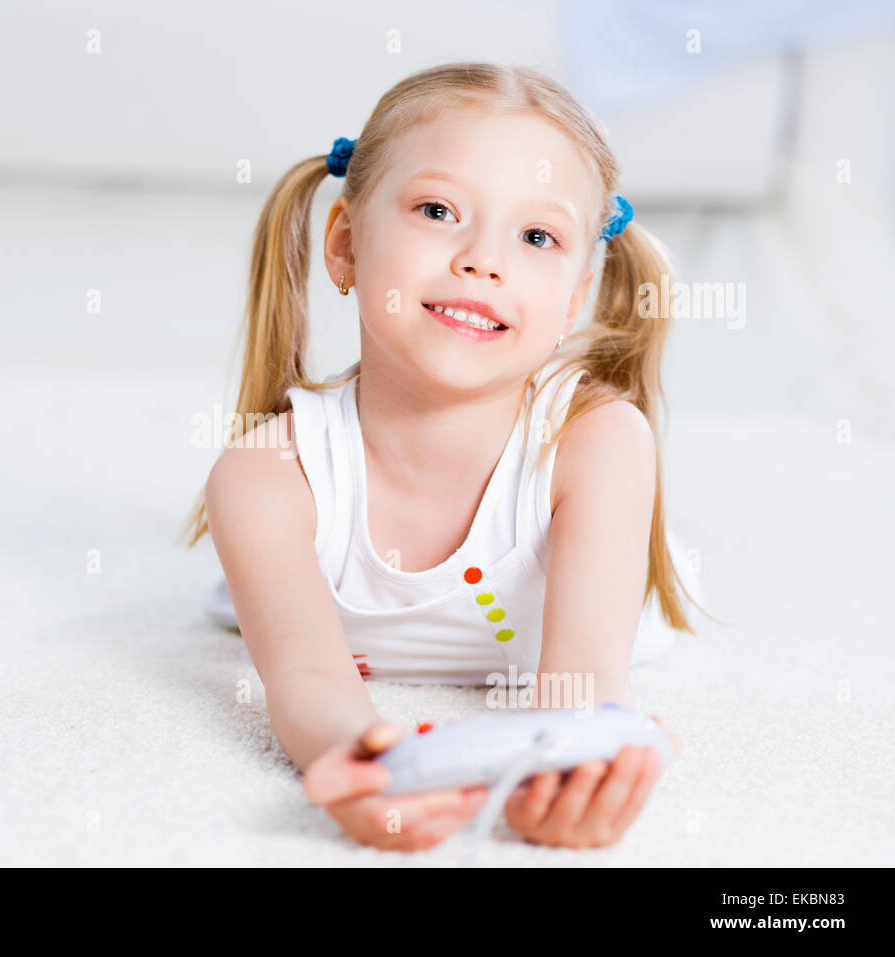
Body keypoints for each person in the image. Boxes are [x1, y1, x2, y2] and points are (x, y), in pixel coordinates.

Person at [180, 62, 712, 852]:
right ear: (345, 243)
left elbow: (583, 684)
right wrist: (365, 768)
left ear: (572, 299)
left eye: (536, 236)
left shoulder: (597, 444)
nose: (481, 260)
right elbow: (312, 688)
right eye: (438, 209)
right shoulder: (266, 474)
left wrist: (573, 762)